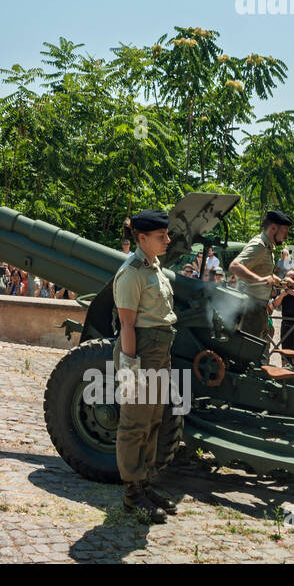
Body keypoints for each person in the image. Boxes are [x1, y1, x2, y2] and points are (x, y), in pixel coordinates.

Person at [113, 208, 180, 525]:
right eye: (161, 236)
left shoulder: (153, 268)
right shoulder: (133, 273)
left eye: (166, 234)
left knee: (153, 419)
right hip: (140, 349)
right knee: (134, 423)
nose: (167, 239)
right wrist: (130, 370)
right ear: (142, 238)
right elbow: (127, 324)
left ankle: (144, 484)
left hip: (159, 349)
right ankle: (131, 493)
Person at [228, 209, 293, 338]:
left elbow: (265, 273)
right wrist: (259, 279)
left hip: (258, 308)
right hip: (249, 309)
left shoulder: (268, 247)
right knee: (250, 352)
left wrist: (281, 282)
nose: (285, 236)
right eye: (285, 231)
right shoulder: (259, 245)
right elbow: (235, 266)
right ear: (274, 228)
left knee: (261, 350)